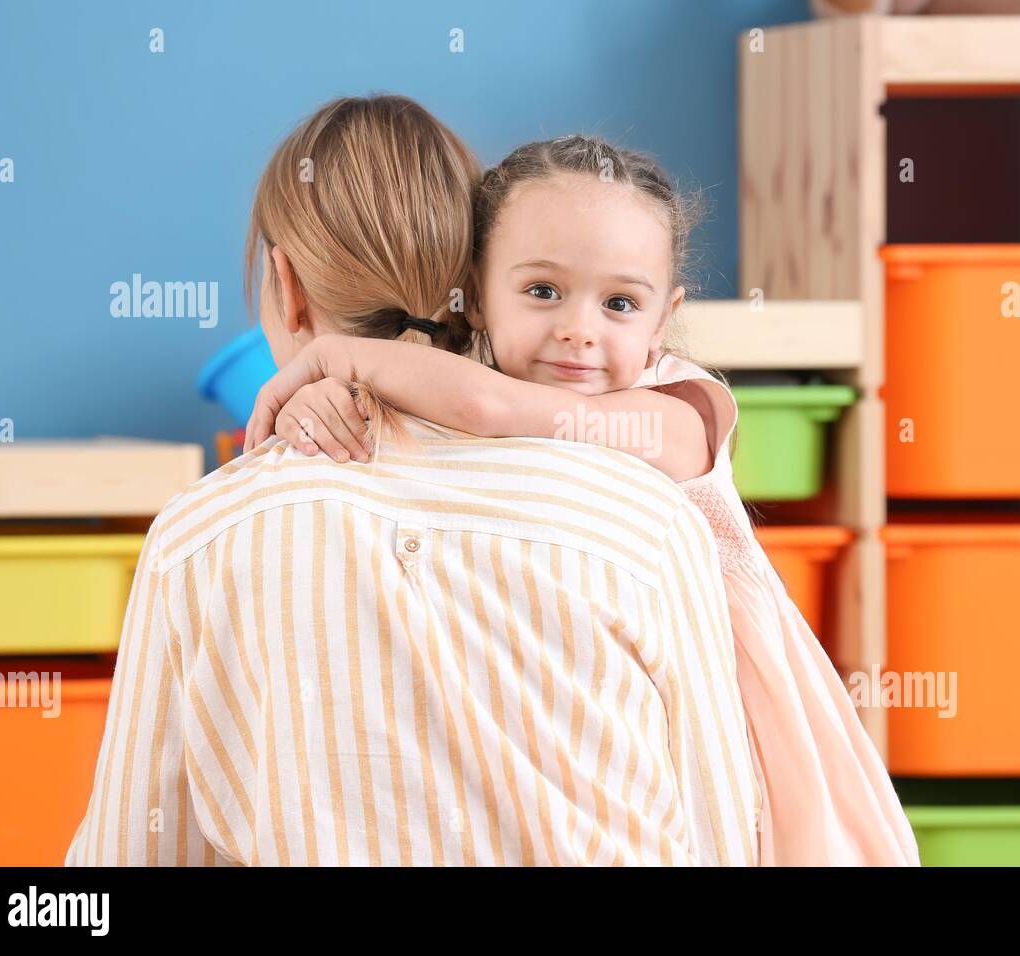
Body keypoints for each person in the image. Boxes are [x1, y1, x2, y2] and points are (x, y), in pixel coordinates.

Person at [64, 95, 760, 866]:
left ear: (285, 284)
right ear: (478, 282)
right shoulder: (644, 516)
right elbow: (723, 832)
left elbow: (133, 855)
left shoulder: (201, 538)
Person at [246, 134, 921, 866]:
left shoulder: (682, 405)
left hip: (745, 723)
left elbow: (492, 409)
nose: (579, 330)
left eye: (621, 303)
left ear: (663, 318)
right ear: (472, 295)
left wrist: (338, 358)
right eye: (542, 291)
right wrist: (317, 401)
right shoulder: (472, 380)